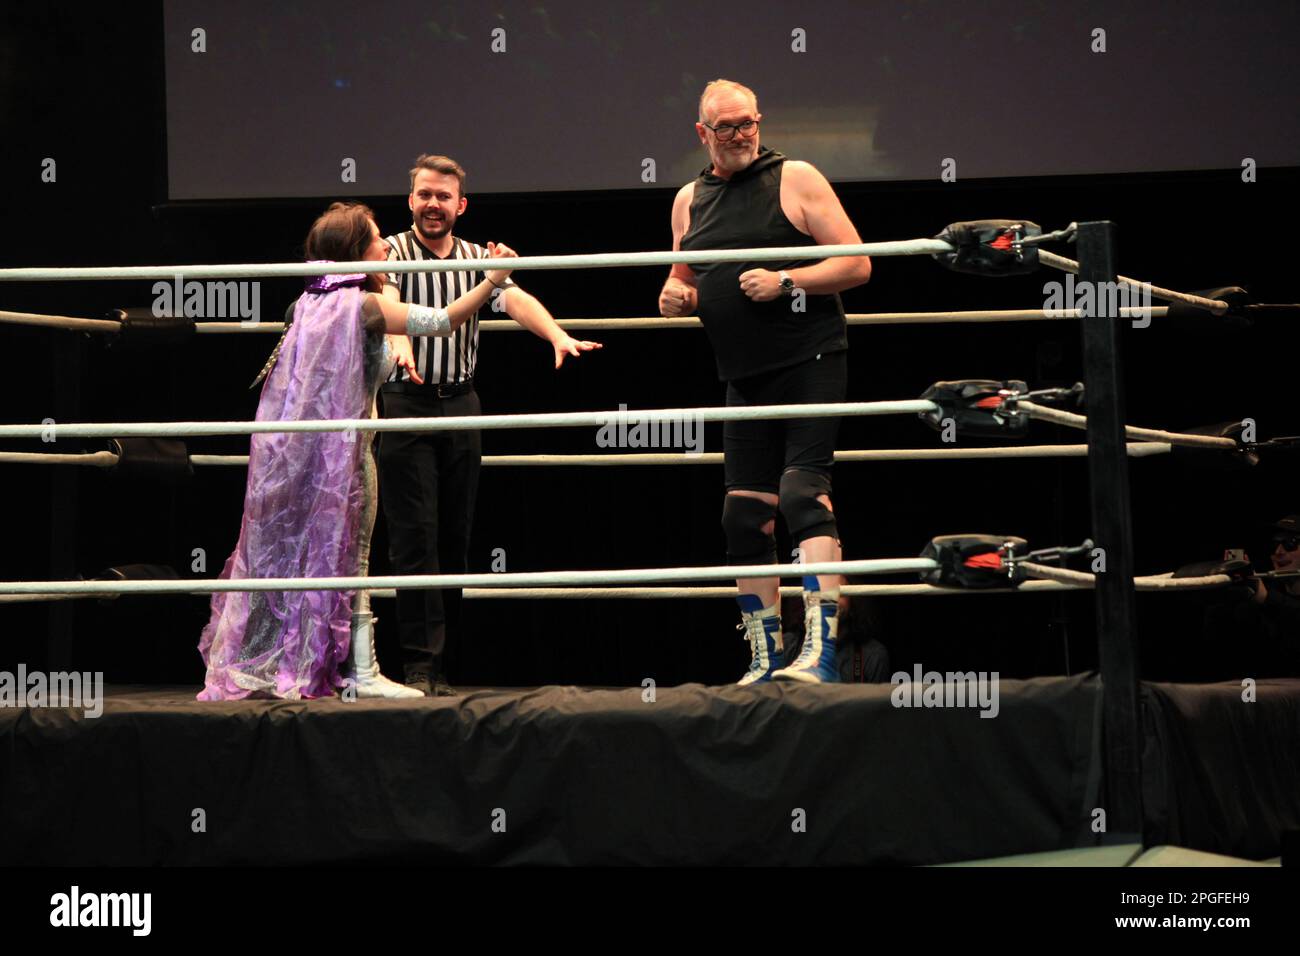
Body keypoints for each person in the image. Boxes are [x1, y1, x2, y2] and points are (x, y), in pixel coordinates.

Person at [198, 202, 515, 700]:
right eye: (375, 239)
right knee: (354, 556)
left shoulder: (306, 303)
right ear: (356, 250)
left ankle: (295, 662)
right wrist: (491, 280)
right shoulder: (364, 307)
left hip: (299, 454)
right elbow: (441, 321)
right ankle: (361, 670)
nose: (386, 245)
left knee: (305, 553)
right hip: (344, 459)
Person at [658, 80, 872, 685]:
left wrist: (787, 281)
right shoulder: (688, 199)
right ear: (702, 133)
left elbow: (857, 262)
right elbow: (682, 277)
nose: (740, 135)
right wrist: (676, 296)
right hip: (742, 374)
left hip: (810, 359)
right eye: (726, 127)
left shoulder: (796, 178)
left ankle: (821, 651)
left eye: (748, 123)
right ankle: (764, 657)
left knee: (802, 493)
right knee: (743, 515)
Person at [379, 155, 601, 697]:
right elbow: (387, 304)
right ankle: (420, 666)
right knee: (414, 538)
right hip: (406, 402)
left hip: (461, 404)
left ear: (461, 205)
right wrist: (400, 347)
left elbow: (514, 298)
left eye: (443, 196)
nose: (433, 204)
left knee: (455, 536)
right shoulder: (390, 250)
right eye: (425, 194)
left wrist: (556, 335)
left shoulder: (479, 256)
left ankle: (445, 663)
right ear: (411, 201)